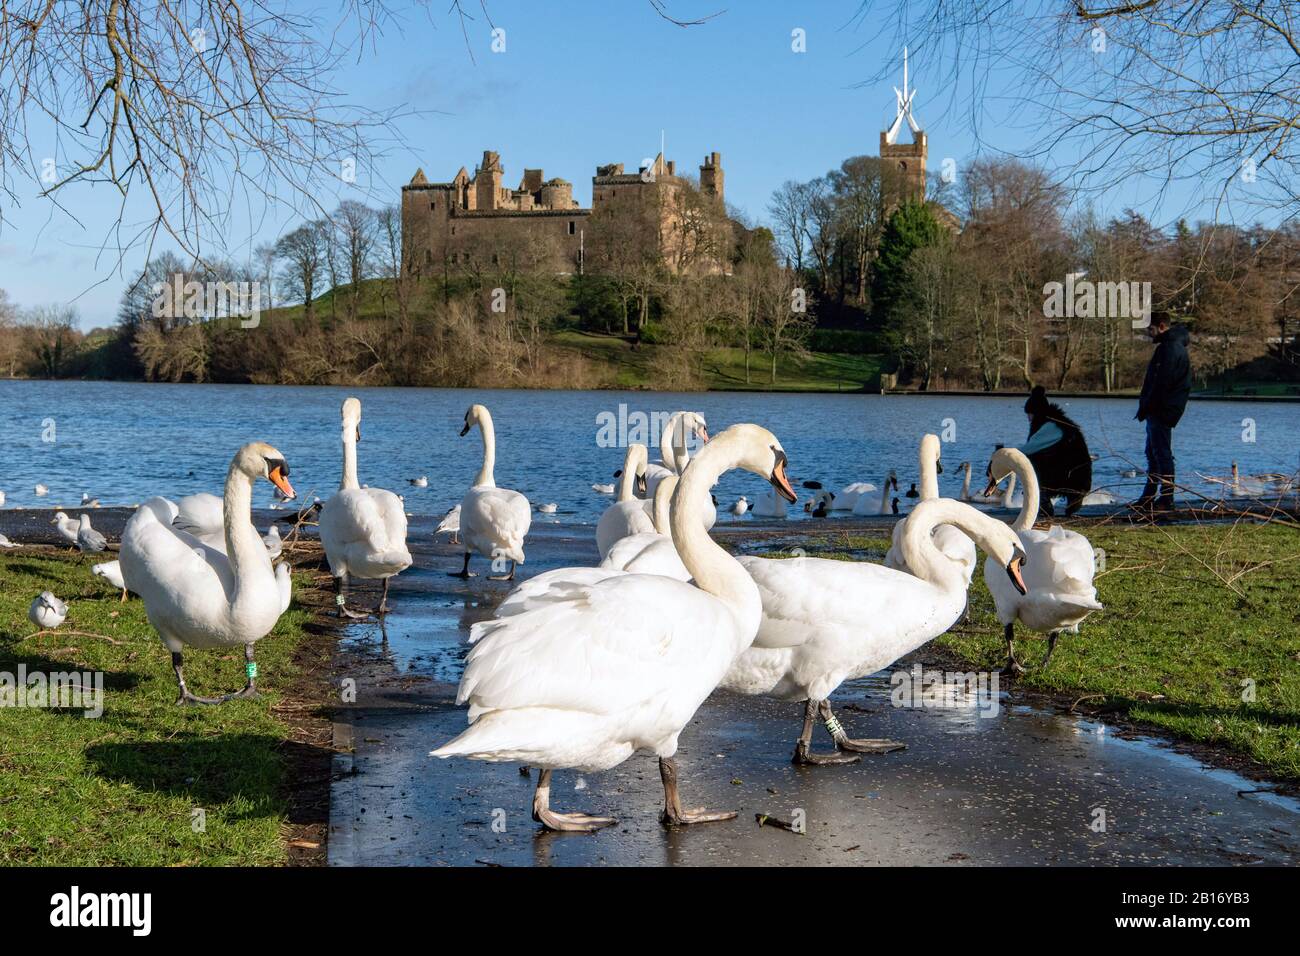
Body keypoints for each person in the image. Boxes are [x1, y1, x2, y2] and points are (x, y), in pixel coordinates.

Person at [1134, 311, 1192, 515]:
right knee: (1154, 454)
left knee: (1161, 455)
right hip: (1162, 409)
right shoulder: (1171, 347)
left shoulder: (1169, 349)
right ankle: (1148, 498)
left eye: (1150, 329)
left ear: (1161, 327)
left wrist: (1148, 406)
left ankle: (1166, 499)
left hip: (1161, 410)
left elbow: (1161, 382)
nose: (1147, 333)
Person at [1017, 385, 1092, 517]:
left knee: (1031, 462)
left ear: (1037, 413)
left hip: (1070, 477)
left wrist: (1004, 455)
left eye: (1030, 414)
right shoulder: (1061, 423)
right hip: (1079, 476)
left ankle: (1042, 499)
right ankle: (1071, 503)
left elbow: (1027, 450)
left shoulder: (1051, 427)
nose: (1029, 419)